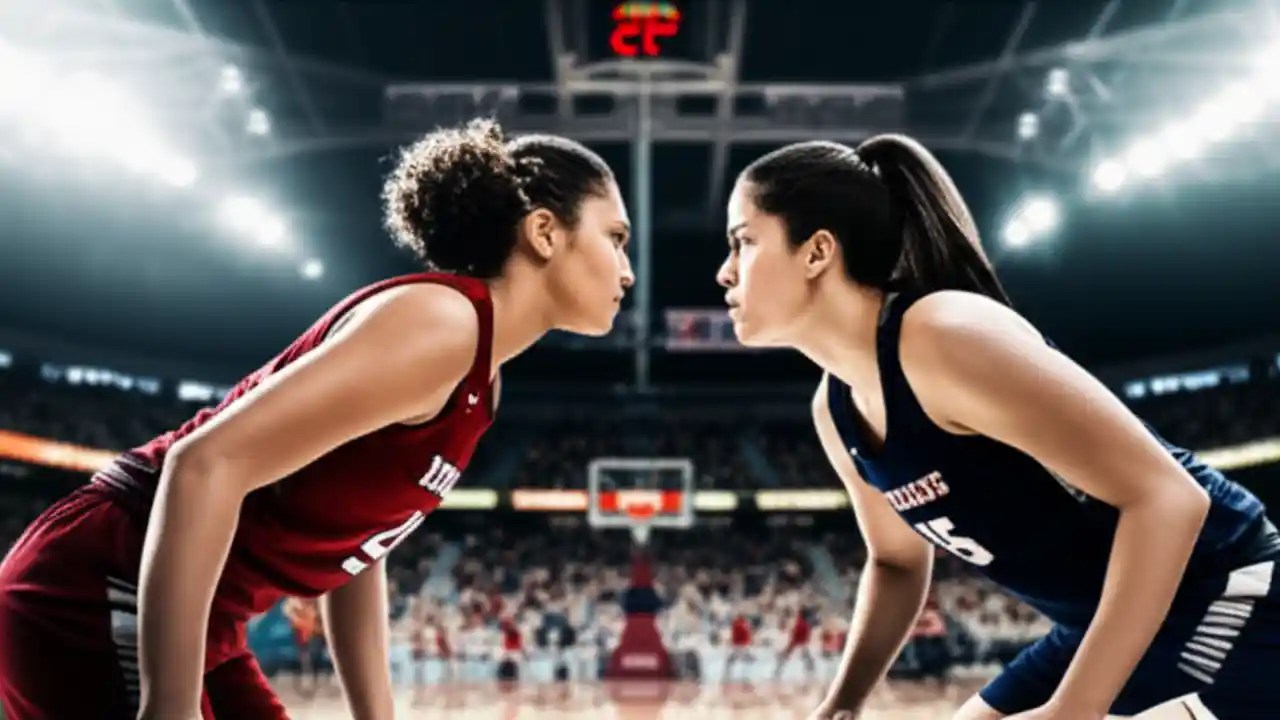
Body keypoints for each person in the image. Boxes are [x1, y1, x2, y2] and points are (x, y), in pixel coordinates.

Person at [0, 118, 634, 720]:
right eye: (615, 237)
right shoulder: (442, 324)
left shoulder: (481, 377)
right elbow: (203, 465)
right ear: (545, 232)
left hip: (199, 622)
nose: (628, 270)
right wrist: (169, 706)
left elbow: (360, 547)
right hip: (98, 587)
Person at [715, 134, 1280, 720]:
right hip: (1096, 622)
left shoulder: (942, 335)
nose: (724, 272)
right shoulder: (834, 408)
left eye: (743, 243)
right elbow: (898, 562)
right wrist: (843, 702)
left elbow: (1169, 498)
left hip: (1227, 595)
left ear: (816, 252)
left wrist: (1074, 708)